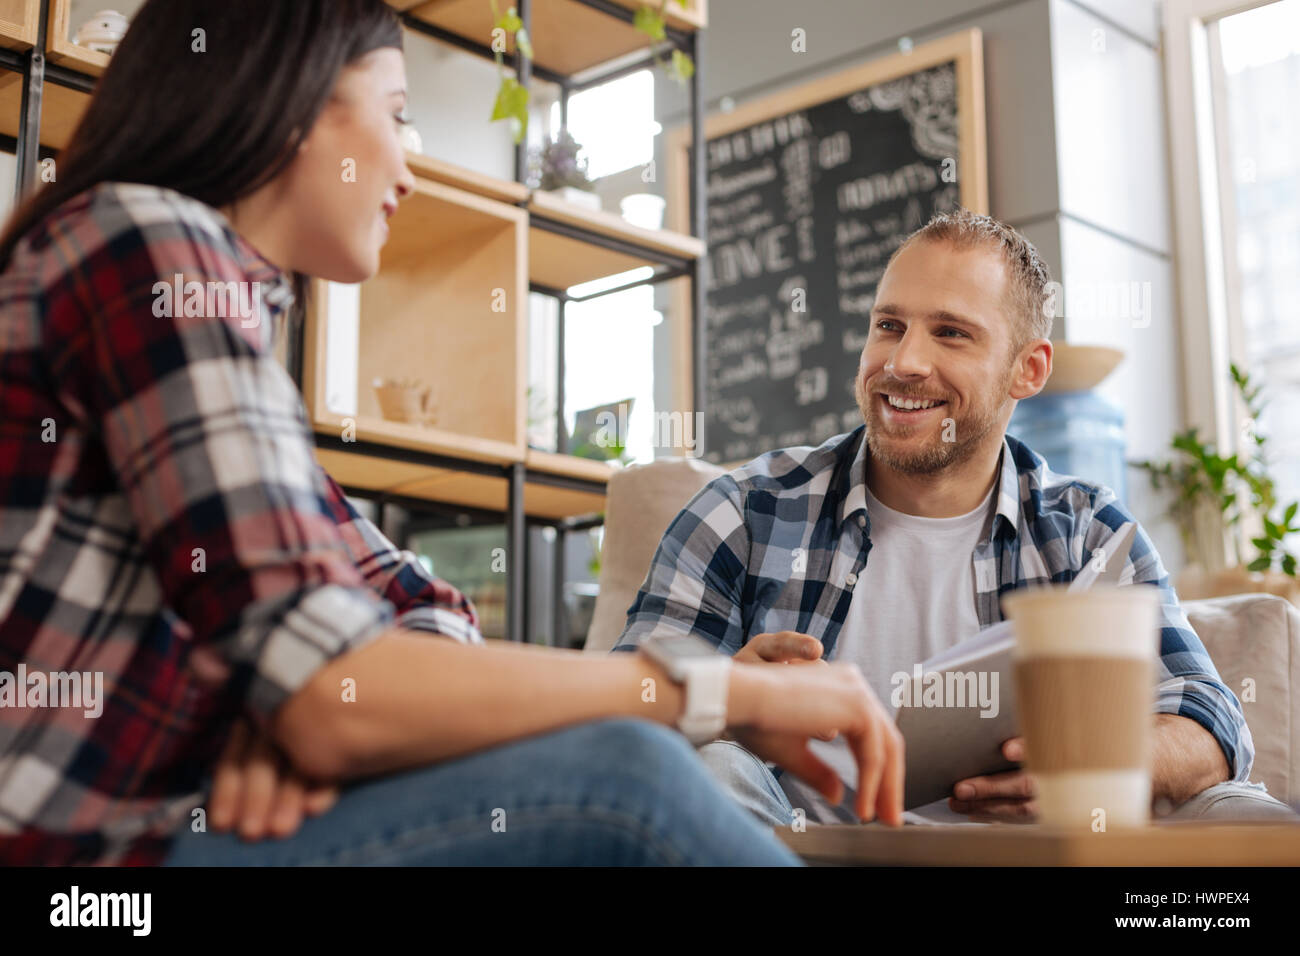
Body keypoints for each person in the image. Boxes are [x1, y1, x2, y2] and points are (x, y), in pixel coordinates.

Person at [0, 0, 906, 867]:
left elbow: (416, 608)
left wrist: (301, 711)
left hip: (151, 830)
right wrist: (723, 692)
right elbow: (331, 685)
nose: (406, 167)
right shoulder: (148, 246)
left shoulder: (211, 303)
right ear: (294, 102)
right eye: (396, 116)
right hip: (70, 857)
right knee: (629, 782)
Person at [613, 209, 1297, 827]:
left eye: (950, 334)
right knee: (711, 767)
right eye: (890, 326)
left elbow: (1212, 721)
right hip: (795, 852)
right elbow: (616, 726)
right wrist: (724, 698)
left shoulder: (1089, 533)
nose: (904, 362)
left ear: (1027, 370)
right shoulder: (744, 511)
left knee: (1246, 817)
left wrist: (1101, 761)